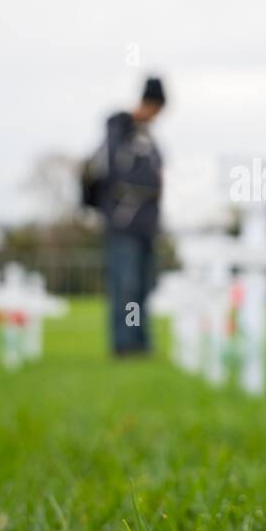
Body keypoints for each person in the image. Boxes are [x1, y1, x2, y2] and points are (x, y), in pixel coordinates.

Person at [98, 76, 166, 356]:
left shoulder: (149, 139)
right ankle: (122, 343)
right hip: (123, 222)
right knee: (125, 285)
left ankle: (139, 341)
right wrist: (133, 114)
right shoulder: (122, 126)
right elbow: (112, 130)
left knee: (142, 288)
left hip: (147, 224)